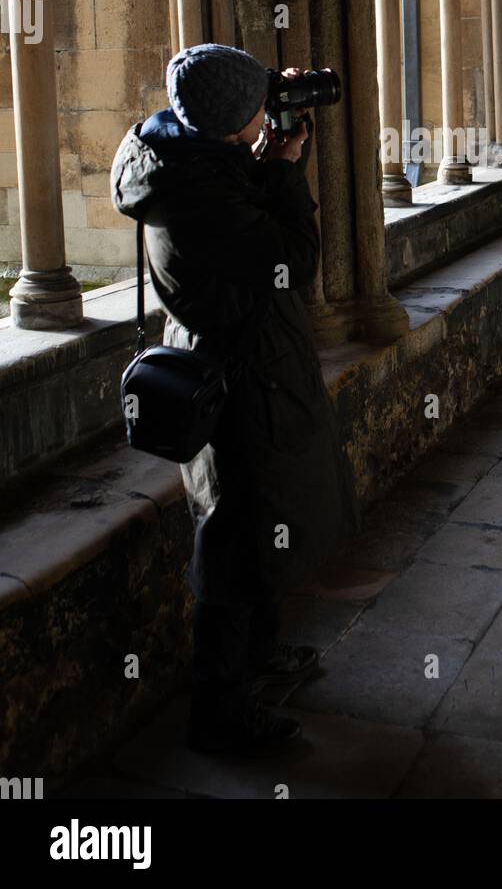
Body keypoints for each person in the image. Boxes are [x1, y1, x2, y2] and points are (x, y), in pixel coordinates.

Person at [110, 43, 361, 756]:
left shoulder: (195, 161)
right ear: (230, 119)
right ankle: (220, 713)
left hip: (252, 371)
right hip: (236, 383)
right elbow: (292, 262)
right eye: (255, 103)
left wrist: (269, 157)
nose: (267, 112)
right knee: (233, 541)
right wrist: (282, 170)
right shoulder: (200, 192)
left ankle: (258, 657)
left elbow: (248, 230)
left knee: (262, 524)